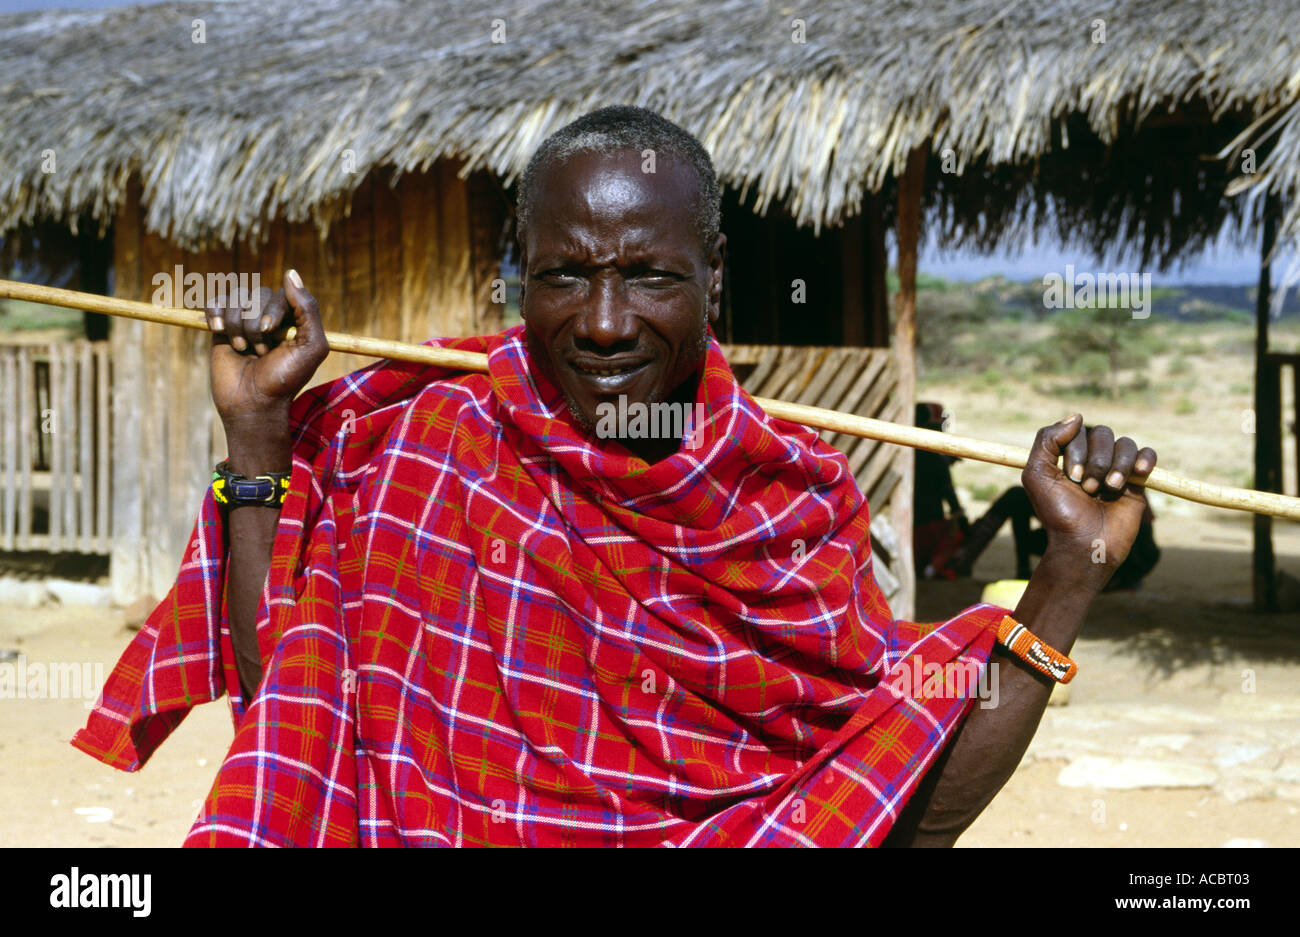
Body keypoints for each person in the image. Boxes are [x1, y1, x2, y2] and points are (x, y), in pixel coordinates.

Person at [73, 106, 1158, 847]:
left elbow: (890, 815)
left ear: (713, 277)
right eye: (565, 276)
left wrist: (1068, 576)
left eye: (647, 275)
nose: (601, 323)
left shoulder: (785, 503)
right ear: (520, 272)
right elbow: (284, 706)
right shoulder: (424, 441)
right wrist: (259, 439)